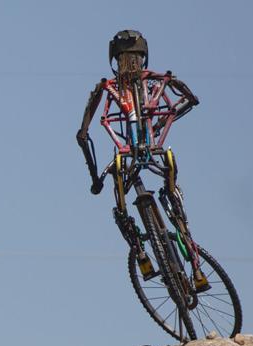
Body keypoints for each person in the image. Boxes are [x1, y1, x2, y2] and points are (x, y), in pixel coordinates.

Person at [76, 30, 206, 286]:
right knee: (172, 198)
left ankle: (142, 255)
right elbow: (190, 100)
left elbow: (83, 135)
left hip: (125, 156)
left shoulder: (107, 86)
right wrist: (160, 123)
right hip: (157, 152)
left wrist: (95, 178)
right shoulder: (159, 81)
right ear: (144, 55)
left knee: (121, 206)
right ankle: (195, 267)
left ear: (114, 58)